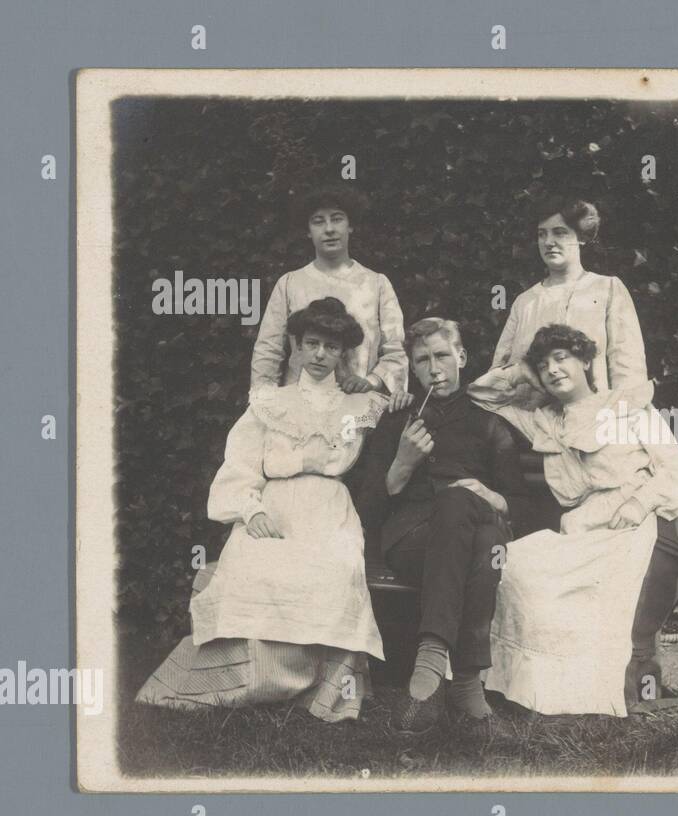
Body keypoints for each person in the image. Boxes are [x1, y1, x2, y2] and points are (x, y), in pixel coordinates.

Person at [136, 298, 390, 721]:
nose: (321, 354)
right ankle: (253, 681)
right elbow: (240, 465)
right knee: (256, 563)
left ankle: (325, 688)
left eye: (331, 346)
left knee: (337, 567)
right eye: (312, 343)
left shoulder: (361, 406)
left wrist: (373, 387)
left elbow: (390, 436)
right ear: (297, 346)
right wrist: (251, 512)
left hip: (330, 508)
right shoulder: (271, 402)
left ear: (343, 351)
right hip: (275, 502)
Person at [468, 324, 678, 717]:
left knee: (608, 592)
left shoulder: (626, 406)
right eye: (544, 365)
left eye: (562, 359)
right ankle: (537, 687)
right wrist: (525, 372)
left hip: (631, 521)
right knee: (518, 568)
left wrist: (640, 504)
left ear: (586, 360)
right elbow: (482, 393)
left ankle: (595, 687)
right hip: (582, 525)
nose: (554, 370)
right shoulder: (544, 421)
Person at [356, 317, 528, 734]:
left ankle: (433, 655)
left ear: (462, 358)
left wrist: (490, 497)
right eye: (422, 360)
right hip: (412, 539)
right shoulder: (395, 421)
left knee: (475, 522)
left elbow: (524, 505)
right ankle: (468, 686)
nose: (434, 368)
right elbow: (365, 510)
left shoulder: (491, 424)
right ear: (412, 369)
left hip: (475, 534)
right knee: (479, 537)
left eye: (442, 356)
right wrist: (401, 464)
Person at [477, 196, 648, 536]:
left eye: (560, 232)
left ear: (582, 236)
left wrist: (618, 424)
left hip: (596, 431)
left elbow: (629, 370)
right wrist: (521, 374)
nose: (549, 242)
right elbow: (495, 378)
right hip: (532, 435)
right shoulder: (526, 302)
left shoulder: (608, 289)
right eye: (542, 234)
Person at [250, 187, 407, 397]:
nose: (329, 229)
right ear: (308, 230)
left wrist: (371, 381)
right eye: (318, 221)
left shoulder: (376, 284)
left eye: (337, 219)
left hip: (358, 406)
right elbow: (268, 351)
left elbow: (396, 350)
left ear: (350, 226)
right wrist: (264, 402)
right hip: (300, 406)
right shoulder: (290, 283)